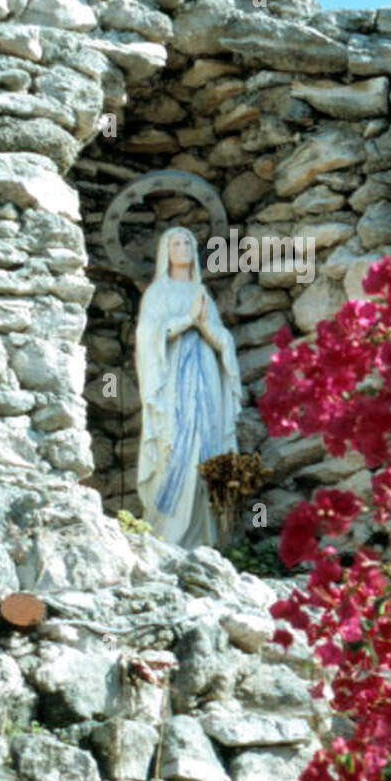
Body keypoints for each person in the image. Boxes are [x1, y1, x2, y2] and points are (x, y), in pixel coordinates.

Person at [134, 227, 242, 548]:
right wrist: (186, 320)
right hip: (173, 384)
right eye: (175, 243)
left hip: (206, 381)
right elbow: (147, 336)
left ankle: (204, 538)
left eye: (186, 243)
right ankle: (167, 534)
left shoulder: (202, 292)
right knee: (174, 444)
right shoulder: (157, 292)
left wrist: (205, 324)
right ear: (165, 251)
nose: (181, 248)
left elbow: (223, 339)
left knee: (206, 446)